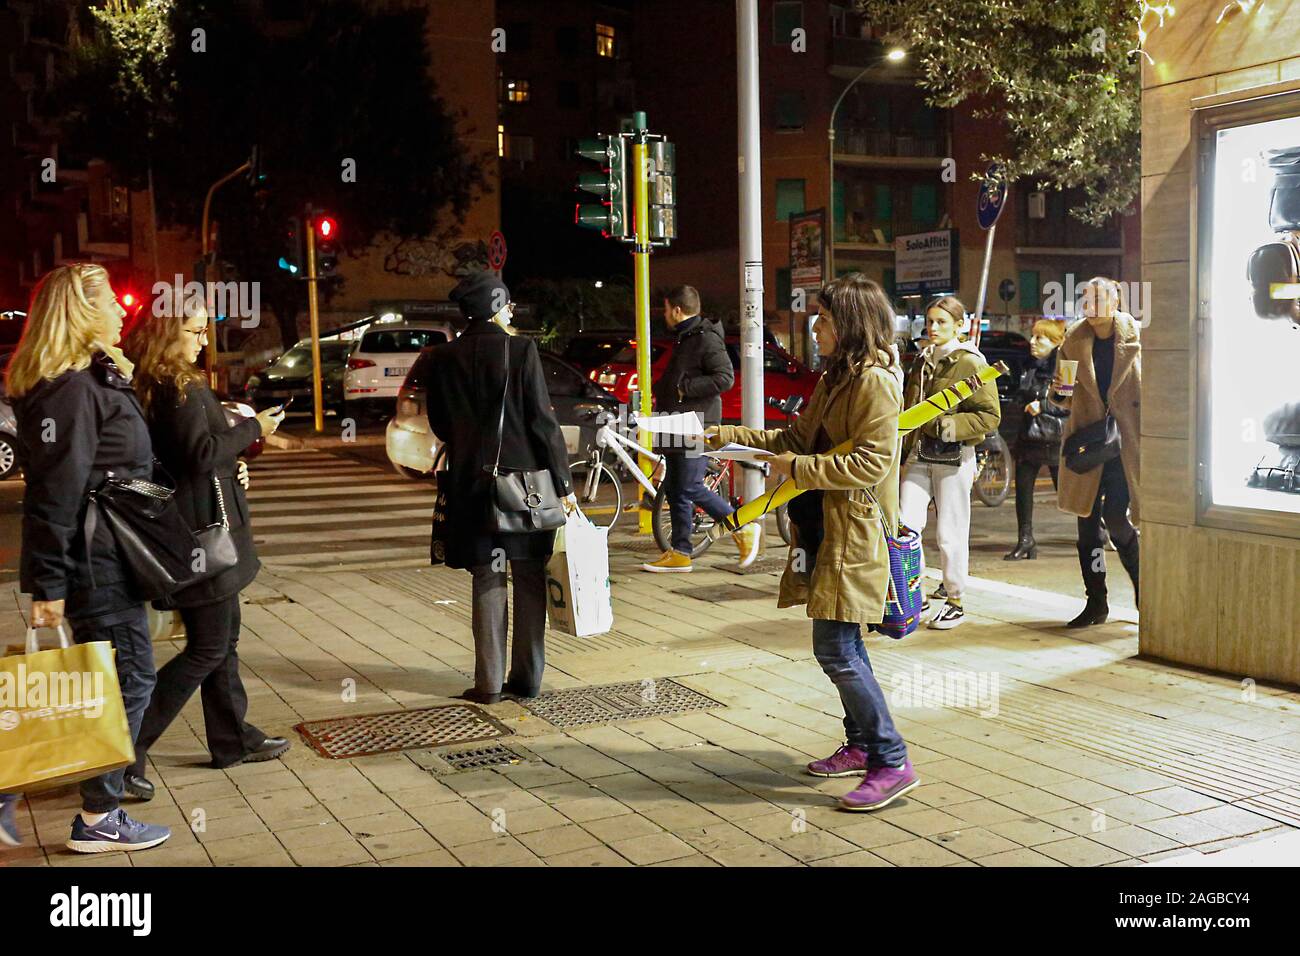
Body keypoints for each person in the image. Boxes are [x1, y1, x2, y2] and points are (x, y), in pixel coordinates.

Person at [707, 274, 918, 812]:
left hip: (856, 530)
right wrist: (730, 436)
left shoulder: (875, 382)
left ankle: (891, 760)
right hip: (826, 526)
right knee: (848, 646)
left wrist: (796, 466)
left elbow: (873, 461)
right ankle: (863, 744)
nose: (814, 327)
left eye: (823, 318)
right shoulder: (836, 377)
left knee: (836, 649)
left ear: (849, 323)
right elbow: (796, 439)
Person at [3, 264, 170, 852]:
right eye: (112, 305)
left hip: (113, 555)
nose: (125, 314)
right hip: (97, 565)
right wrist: (47, 585)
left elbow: (122, 470)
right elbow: (56, 492)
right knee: (128, 681)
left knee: (116, 680)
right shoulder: (71, 389)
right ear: (81, 312)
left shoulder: (91, 378)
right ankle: (98, 817)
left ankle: (69, 799)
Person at [119, 302, 289, 799]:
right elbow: (198, 454)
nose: (202, 341)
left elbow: (190, 454)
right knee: (209, 646)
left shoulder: (155, 383)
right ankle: (128, 748)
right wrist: (255, 428)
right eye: (194, 331)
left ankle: (232, 737)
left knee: (224, 638)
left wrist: (230, 457)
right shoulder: (180, 386)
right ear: (167, 333)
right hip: (202, 538)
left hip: (195, 532)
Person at [426, 272, 575, 705]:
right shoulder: (521, 349)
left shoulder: (441, 357)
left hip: (469, 485)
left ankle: (488, 683)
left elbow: (441, 425)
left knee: (486, 578)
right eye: (508, 305)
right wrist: (563, 483)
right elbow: (542, 424)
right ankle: (526, 679)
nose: (511, 312)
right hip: (523, 488)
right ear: (497, 307)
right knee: (529, 577)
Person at [898, 296, 1001, 629]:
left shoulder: (971, 363)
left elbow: (990, 415)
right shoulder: (922, 360)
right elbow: (909, 408)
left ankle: (955, 598)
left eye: (942, 321)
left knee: (950, 532)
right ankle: (915, 595)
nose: (933, 327)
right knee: (906, 526)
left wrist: (950, 426)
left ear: (959, 325)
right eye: (930, 321)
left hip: (954, 457)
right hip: (919, 454)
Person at [641, 285, 760, 572]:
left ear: (678, 310)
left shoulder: (705, 338)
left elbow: (725, 378)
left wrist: (684, 389)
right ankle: (681, 551)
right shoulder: (687, 337)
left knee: (691, 485)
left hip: (696, 425)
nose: (666, 315)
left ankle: (742, 527)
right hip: (677, 423)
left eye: (667, 309)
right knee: (676, 488)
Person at [1056, 276, 1141, 627]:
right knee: (1087, 528)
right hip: (1088, 442)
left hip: (1126, 444)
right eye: (1085, 299)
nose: (1089, 306)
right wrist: (1060, 390)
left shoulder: (1137, 337)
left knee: (1119, 520)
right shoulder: (1074, 339)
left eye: (1097, 299)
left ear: (1115, 301)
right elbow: (1061, 391)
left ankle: (1146, 592)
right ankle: (1096, 602)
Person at [1004, 319, 1068, 560]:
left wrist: (1041, 405)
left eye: (1039, 338)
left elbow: (1069, 404)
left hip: (1053, 439)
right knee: (1022, 490)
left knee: (1068, 494)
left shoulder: (1066, 367)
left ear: (1055, 342)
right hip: (1028, 438)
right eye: (1032, 336)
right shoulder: (1029, 366)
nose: (1032, 342)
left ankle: (1099, 529)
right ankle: (1025, 539)